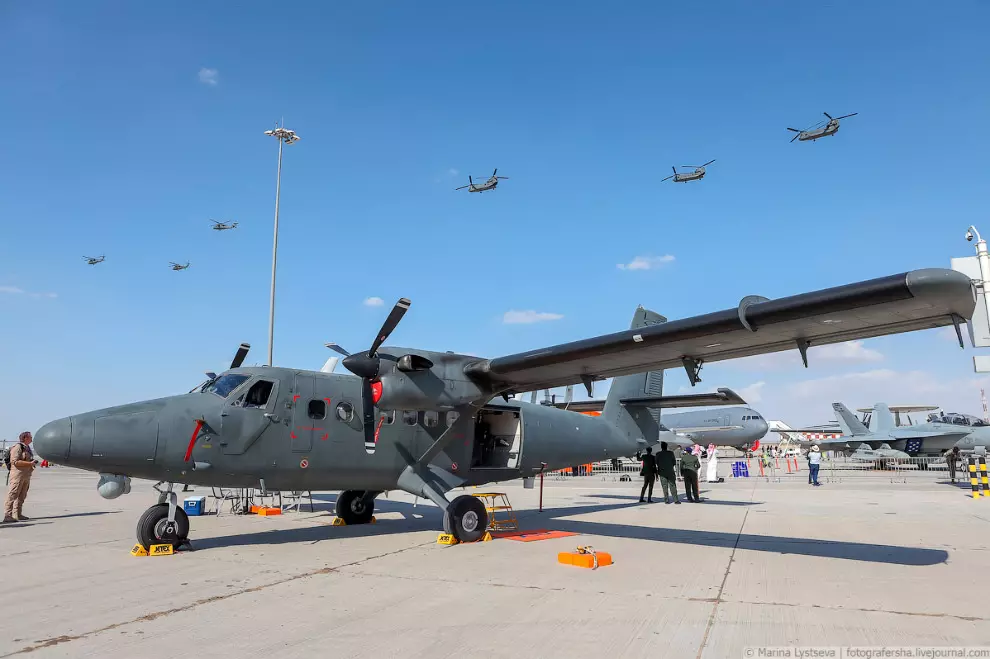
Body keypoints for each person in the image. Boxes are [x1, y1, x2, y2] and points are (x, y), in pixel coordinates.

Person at [4, 431, 36, 523]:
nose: (31, 439)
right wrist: (29, 463)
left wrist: (31, 464)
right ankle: (7, 515)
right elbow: (15, 462)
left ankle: (18, 514)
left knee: (22, 495)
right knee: (13, 494)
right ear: (25, 438)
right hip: (17, 475)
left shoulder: (27, 448)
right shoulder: (18, 447)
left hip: (26, 475)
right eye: (30, 437)